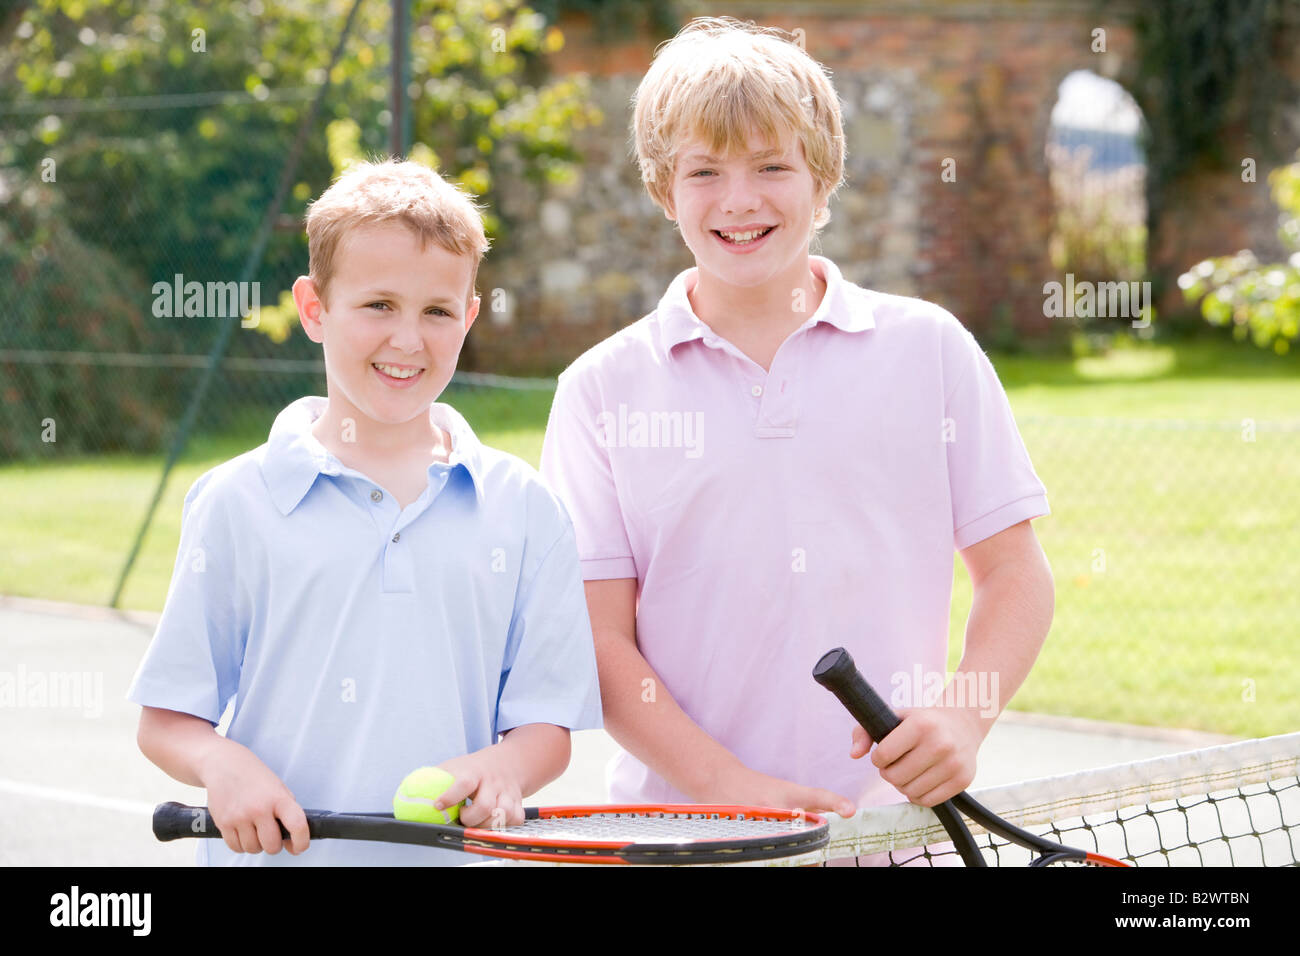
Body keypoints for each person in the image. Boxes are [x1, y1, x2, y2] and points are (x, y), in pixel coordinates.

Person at [539, 18, 1054, 863]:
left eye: (772, 166)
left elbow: (1015, 574)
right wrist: (726, 790)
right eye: (704, 172)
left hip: (895, 836)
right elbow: (598, 642)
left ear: (824, 183)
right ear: (665, 192)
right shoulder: (599, 389)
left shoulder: (930, 349)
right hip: (687, 840)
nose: (739, 200)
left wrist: (964, 714)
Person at [130, 159, 602, 865]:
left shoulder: (526, 508)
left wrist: (504, 771)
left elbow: (544, 727)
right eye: (378, 305)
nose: (408, 340)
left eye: (437, 311)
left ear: (468, 316)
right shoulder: (235, 503)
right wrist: (223, 766)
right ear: (314, 309)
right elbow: (167, 719)